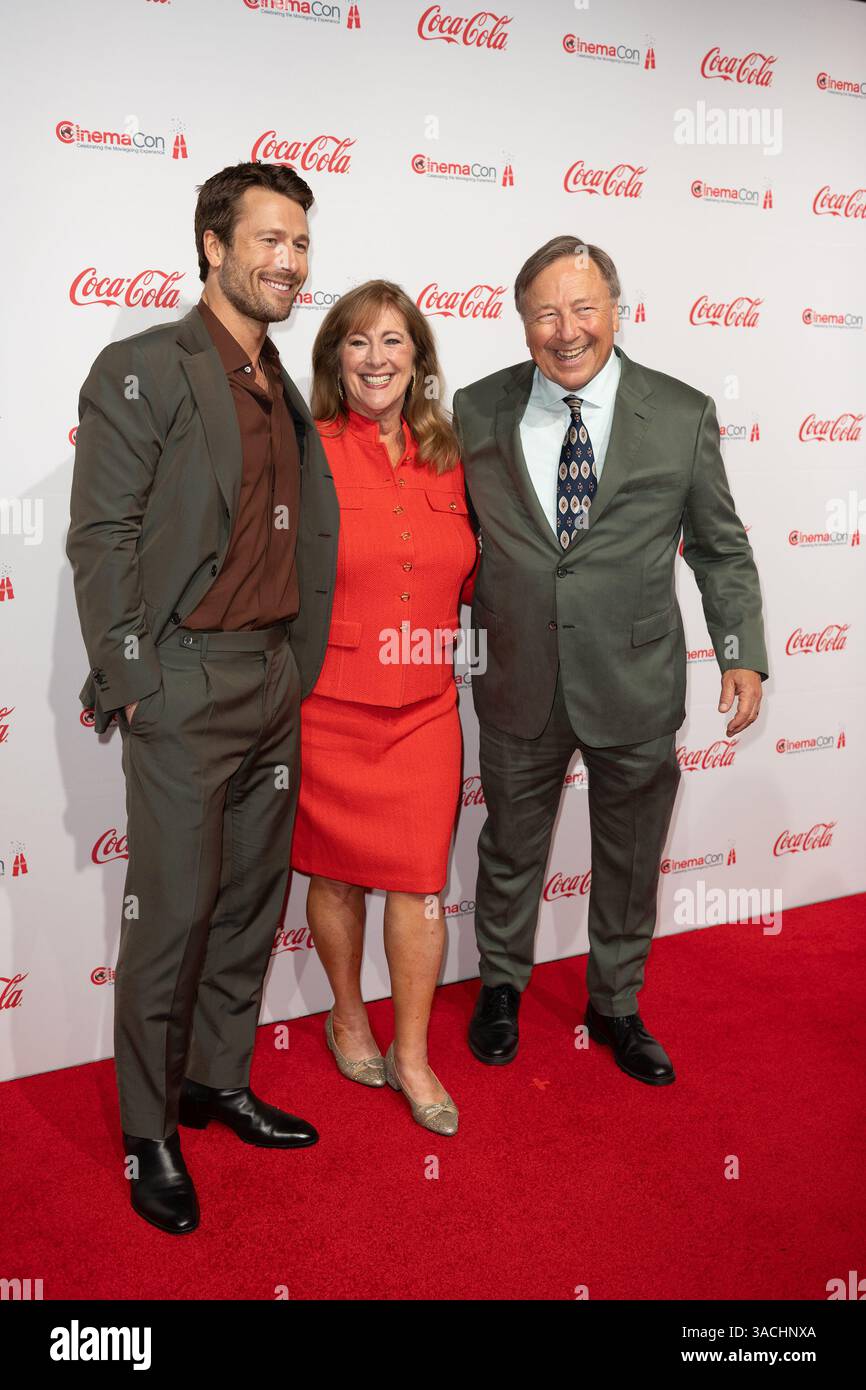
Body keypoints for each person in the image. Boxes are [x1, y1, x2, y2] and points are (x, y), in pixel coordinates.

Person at [66, 162, 338, 1234]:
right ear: (213, 246)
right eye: (269, 239)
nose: (288, 261)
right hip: (183, 680)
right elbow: (102, 535)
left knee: (245, 903)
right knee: (168, 914)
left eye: (302, 243)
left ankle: (214, 1080)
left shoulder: (280, 378)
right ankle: (147, 1129)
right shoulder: (142, 366)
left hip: (272, 674)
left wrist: (294, 665)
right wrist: (135, 682)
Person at [453, 235, 768, 1083]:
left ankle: (616, 1003)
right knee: (510, 848)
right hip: (518, 674)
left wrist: (740, 652)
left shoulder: (680, 412)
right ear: (521, 323)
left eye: (582, 308)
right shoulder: (473, 410)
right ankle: (502, 988)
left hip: (636, 680)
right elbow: (448, 540)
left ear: (616, 311)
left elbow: (720, 549)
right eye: (545, 312)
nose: (566, 330)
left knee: (629, 854)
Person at [290, 281, 478, 1136]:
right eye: (358, 343)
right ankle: (346, 1015)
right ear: (335, 358)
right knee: (331, 874)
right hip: (328, 705)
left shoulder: (451, 454)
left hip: (427, 706)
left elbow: (474, 573)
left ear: (419, 360)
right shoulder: (308, 449)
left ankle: (411, 1053)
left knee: (421, 887)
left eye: (394, 342)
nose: (376, 359)